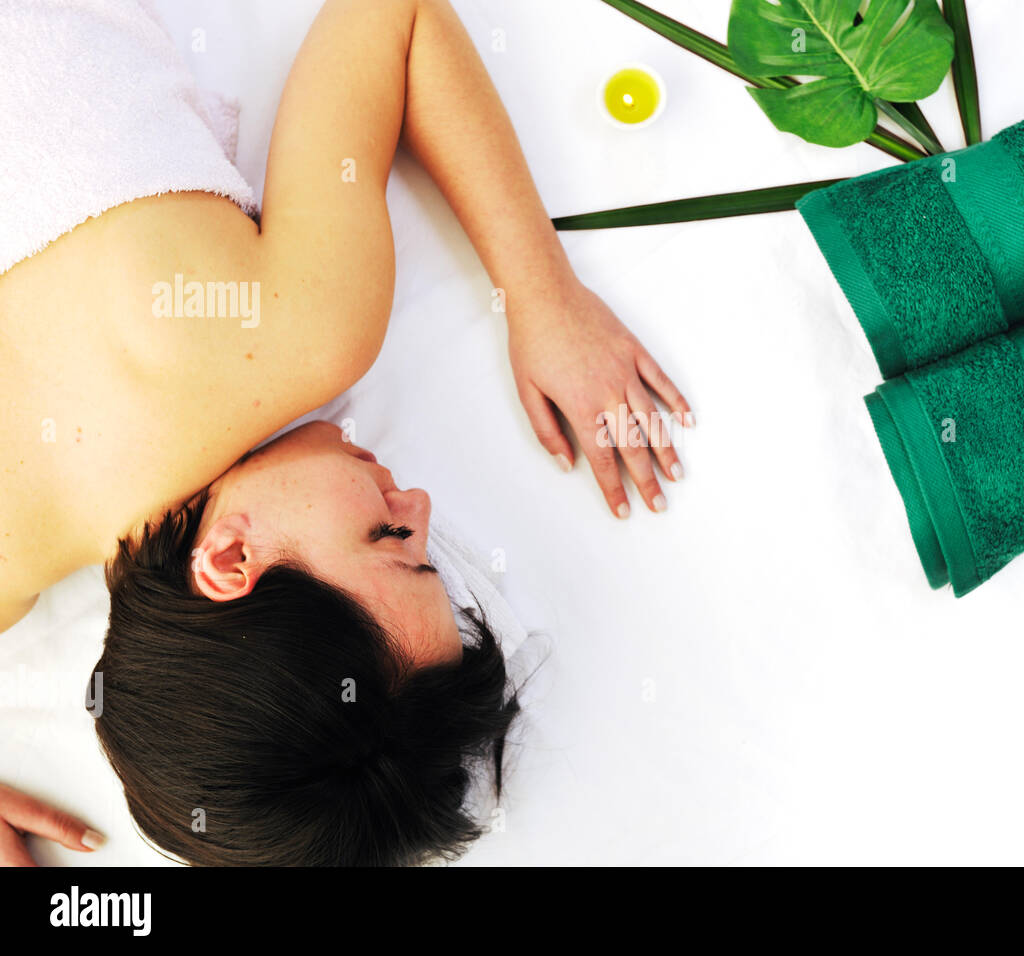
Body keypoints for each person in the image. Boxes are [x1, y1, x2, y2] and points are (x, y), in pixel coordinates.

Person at [0, 0, 691, 865]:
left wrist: (543, 296)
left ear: (228, 562)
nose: (419, 501)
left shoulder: (301, 330)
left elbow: (391, 15)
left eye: (390, 536)